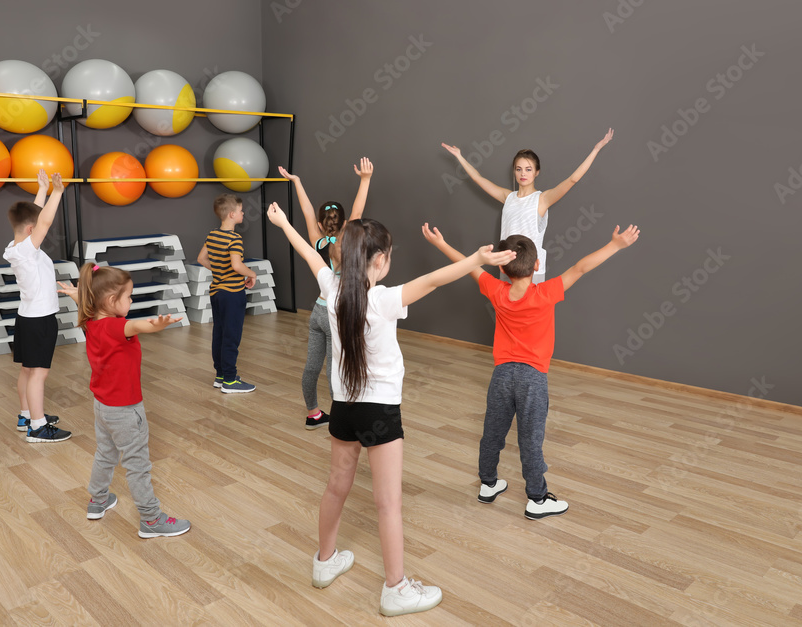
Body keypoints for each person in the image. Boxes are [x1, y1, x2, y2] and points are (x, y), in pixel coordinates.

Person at [267, 202, 514, 617]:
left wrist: (282, 223)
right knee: (388, 503)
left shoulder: (331, 288)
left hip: (343, 408)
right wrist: (476, 259)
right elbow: (434, 280)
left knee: (335, 487)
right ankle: (395, 588)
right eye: (390, 256)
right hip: (380, 411)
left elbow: (309, 253)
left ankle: (324, 562)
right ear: (379, 260)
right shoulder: (381, 299)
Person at [422, 221, 639, 519]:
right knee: (530, 440)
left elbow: (468, 266)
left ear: (501, 268)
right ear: (537, 264)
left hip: (501, 375)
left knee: (492, 433)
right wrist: (615, 245)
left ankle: (488, 483)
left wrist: (440, 244)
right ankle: (537, 499)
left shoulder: (496, 290)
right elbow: (580, 268)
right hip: (532, 379)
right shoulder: (546, 293)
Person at [58, 266, 191, 538]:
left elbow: (88, 304)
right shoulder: (119, 326)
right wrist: (157, 325)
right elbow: (136, 325)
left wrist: (77, 294)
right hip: (127, 411)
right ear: (110, 301)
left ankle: (97, 500)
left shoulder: (91, 318)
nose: (132, 301)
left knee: (106, 453)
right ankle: (151, 520)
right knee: (138, 464)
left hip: (102, 407)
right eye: (129, 296)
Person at [441, 129, 614, 282]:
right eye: (518, 169)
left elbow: (572, 179)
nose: (523, 173)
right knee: (506, 313)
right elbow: (479, 179)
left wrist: (596, 149)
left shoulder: (542, 199)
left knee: (530, 316)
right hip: (506, 266)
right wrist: (459, 157)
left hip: (531, 270)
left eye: (528, 169)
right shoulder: (507, 197)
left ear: (536, 172)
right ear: (514, 171)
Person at [278, 158, 373, 430]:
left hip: (318, 310)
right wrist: (365, 179)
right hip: (337, 312)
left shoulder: (317, 241)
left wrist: (297, 182)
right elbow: (358, 209)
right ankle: (341, 420)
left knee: (311, 366)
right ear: (345, 223)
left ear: (321, 224)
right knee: (335, 369)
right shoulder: (350, 238)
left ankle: (313, 413)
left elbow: (307, 211)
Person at [3, 169, 72, 442]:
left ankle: (26, 415)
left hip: (26, 318)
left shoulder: (16, 246)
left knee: (28, 370)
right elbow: (42, 223)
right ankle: (38, 427)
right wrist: (57, 192)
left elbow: (35, 220)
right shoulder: (28, 251)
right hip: (40, 320)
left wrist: (42, 190)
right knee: (38, 375)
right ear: (32, 231)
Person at [196, 194, 257, 393]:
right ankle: (230, 381)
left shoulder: (213, 234)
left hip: (216, 293)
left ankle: (220, 375)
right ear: (232, 214)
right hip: (232, 294)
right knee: (232, 336)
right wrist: (252, 273)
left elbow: (201, 258)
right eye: (240, 210)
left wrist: (218, 271)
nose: (243, 213)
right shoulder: (235, 239)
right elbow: (237, 265)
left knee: (220, 333)